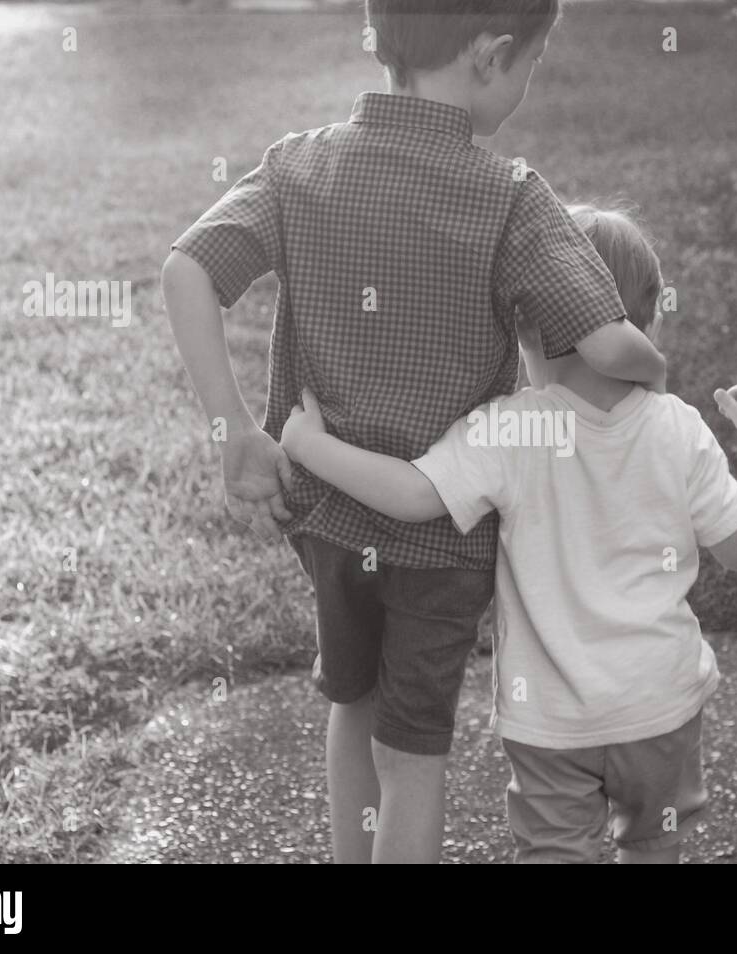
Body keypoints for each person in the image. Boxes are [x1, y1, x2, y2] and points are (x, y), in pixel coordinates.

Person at [160, 1, 666, 864]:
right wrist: (653, 367)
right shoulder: (510, 197)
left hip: (323, 517)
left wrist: (236, 428)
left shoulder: (299, 167)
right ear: (492, 56)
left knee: (351, 702)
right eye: (533, 65)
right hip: (444, 536)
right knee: (414, 749)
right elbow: (602, 337)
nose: (529, 81)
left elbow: (187, 270)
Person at [280, 205, 737, 863]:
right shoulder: (678, 428)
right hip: (661, 706)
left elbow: (411, 495)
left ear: (522, 328)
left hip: (553, 722)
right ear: (652, 321)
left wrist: (309, 446)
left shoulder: (511, 430)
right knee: (653, 846)